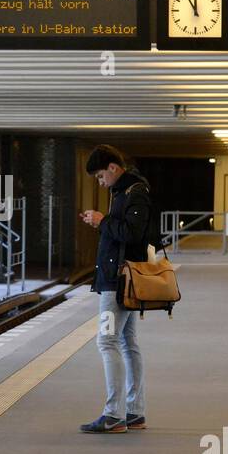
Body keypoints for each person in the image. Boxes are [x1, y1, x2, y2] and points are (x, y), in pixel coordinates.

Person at [78, 144, 152, 433]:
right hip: (120, 278)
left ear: (112, 168)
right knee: (127, 343)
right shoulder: (124, 191)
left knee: (106, 342)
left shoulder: (135, 192)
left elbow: (132, 234)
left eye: (99, 176)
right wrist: (103, 222)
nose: (100, 182)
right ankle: (134, 412)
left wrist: (102, 221)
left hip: (118, 281)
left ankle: (113, 415)